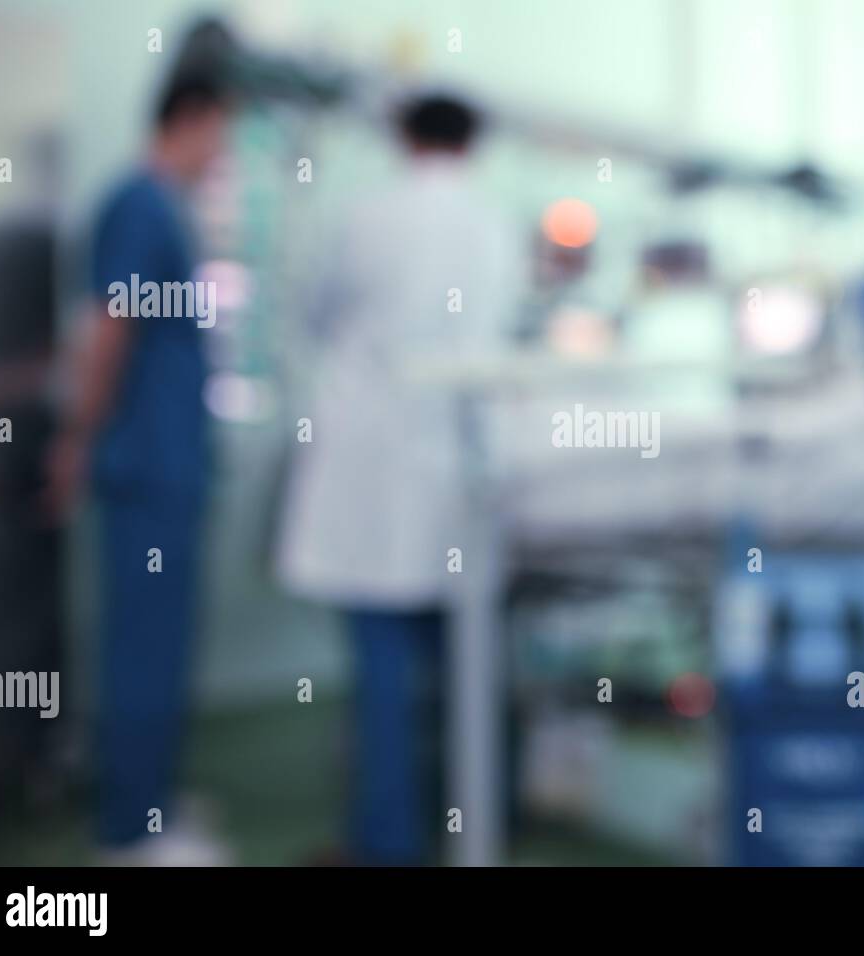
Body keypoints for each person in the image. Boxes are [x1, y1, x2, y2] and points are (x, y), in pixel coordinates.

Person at [276, 93, 521, 865]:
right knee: (463, 672)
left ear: (402, 137)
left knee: (382, 671)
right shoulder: (496, 226)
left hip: (369, 466)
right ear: (472, 142)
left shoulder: (364, 215)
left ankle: (387, 846)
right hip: (453, 467)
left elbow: (311, 315)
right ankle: (475, 825)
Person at [43, 74, 232, 865]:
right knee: (144, 646)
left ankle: (149, 798)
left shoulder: (159, 208)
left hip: (167, 462)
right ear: (188, 121)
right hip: (146, 465)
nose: (222, 156)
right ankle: (128, 831)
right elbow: (112, 328)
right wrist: (78, 436)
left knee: (162, 639)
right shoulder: (139, 205)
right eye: (220, 135)